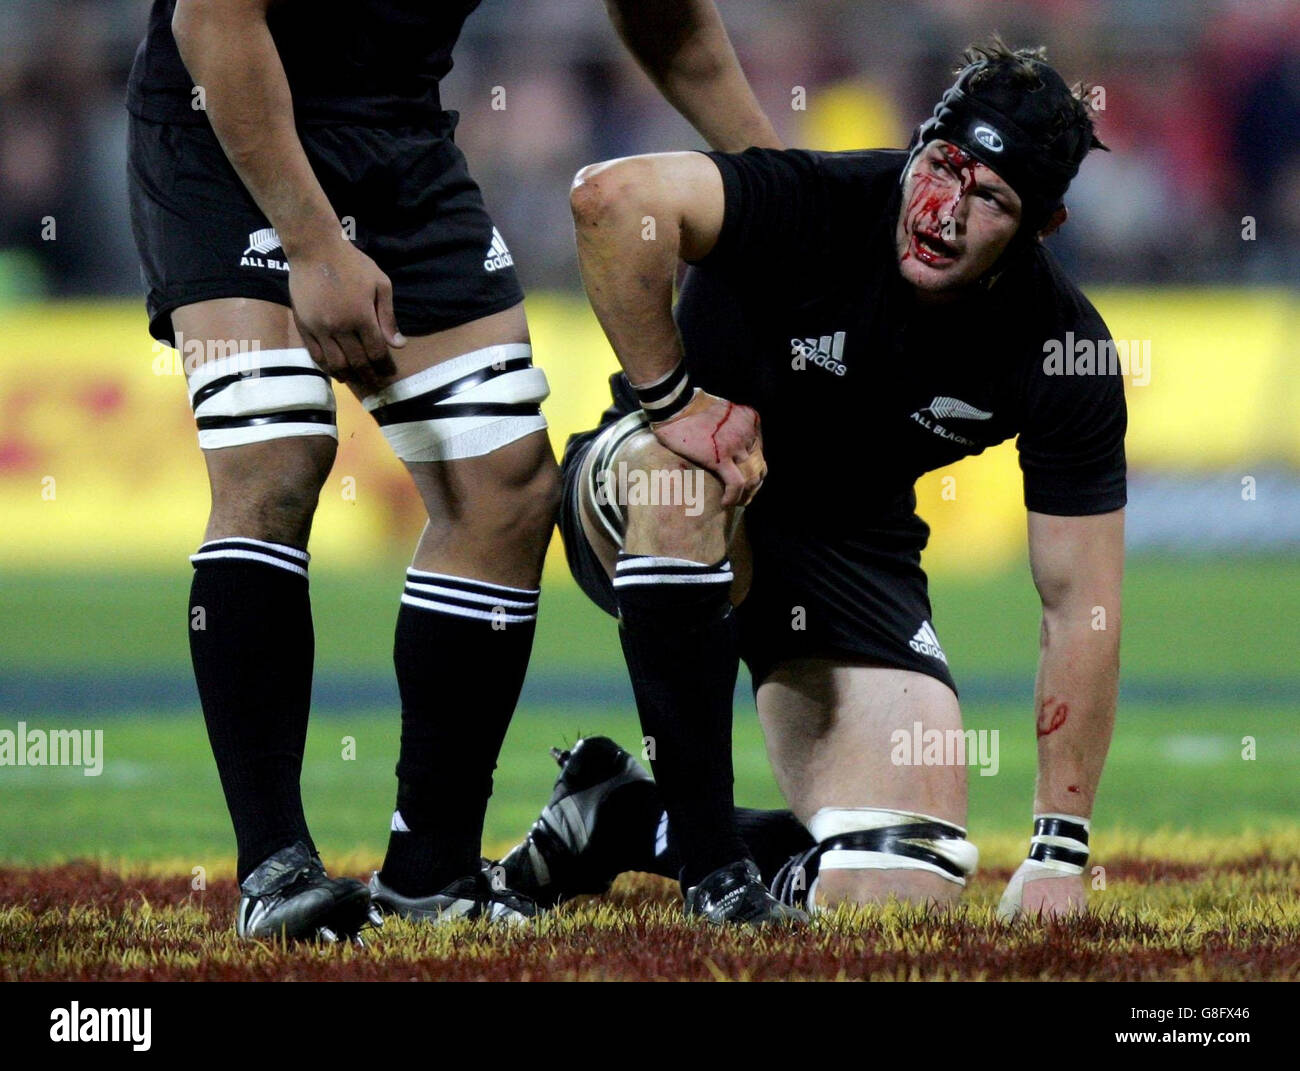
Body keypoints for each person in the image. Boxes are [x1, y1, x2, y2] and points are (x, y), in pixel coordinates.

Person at [126, 0, 779, 942]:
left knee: (507, 488)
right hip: (225, 119)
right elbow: (214, 20)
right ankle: (273, 867)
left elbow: (668, 22)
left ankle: (429, 874)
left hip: (398, 136)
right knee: (277, 454)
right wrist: (314, 244)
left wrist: (783, 193)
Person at [499, 38, 1125, 920]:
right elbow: (611, 199)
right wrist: (674, 402)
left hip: (844, 545)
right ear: (914, 147)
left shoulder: (1062, 347)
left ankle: (620, 818)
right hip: (659, 487)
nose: (943, 213)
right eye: (941, 167)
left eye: (989, 199)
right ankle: (716, 874)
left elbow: (1080, 603)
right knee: (686, 483)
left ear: (1041, 228)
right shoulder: (819, 199)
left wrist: (1060, 851)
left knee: (904, 889)